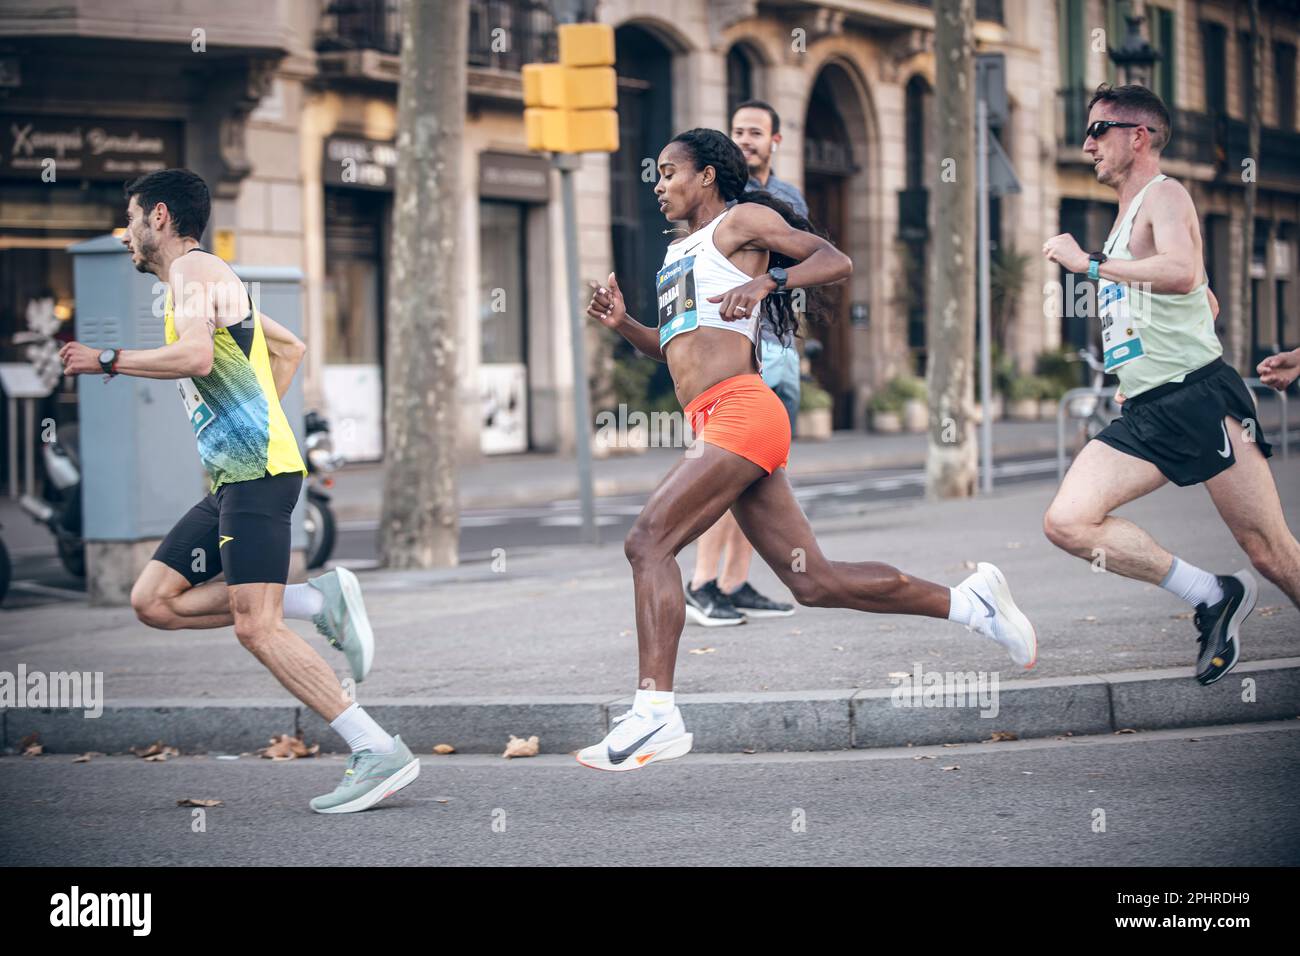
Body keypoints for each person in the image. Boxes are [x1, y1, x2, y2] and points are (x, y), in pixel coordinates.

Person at [576, 130, 1036, 772]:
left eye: (669, 171)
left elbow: (835, 259)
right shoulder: (677, 254)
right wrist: (624, 323)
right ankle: (971, 605)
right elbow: (676, 348)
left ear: (707, 176)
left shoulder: (743, 222)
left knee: (647, 542)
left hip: (743, 409)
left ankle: (655, 715)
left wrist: (771, 284)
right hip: (717, 420)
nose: (658, 184)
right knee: (812, 582)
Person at [59, 168, 418, 812]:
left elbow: (197, 357)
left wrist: (107, 360)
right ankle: (317, 599)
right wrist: (246, 421)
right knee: (154, 600)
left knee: (257, 626)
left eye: (132, 219)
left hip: (257, 474)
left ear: (160, 217)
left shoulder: (195, 274)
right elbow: (289, 348)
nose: (126, 234)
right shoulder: (206, 279)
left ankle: (375, 749)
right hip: (243, 470)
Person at [1042, 85, 1300, 687]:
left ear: (1139, 136)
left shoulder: (1167, 194)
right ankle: (1212, 594)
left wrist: (1089, 265)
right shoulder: (1125, 217)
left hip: (1199, 398)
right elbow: (1203, 298)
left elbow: (1183, 273)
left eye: (1099, 130)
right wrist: (1140, 363)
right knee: (1068, 522)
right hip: (1145, 407)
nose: (1088, 145)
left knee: (1271, 551)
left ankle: (1239, 585)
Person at [684, 100, 809, 627]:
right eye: (737, 132)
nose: (746, 140)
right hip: (731, 356)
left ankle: (734, 583)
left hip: (779, 347)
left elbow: (814, 263)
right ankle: (702, 583)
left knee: (763, 468)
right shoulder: (718, 204)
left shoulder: (783, 199)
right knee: (726, 467)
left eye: (755, 133)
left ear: (775, 141)